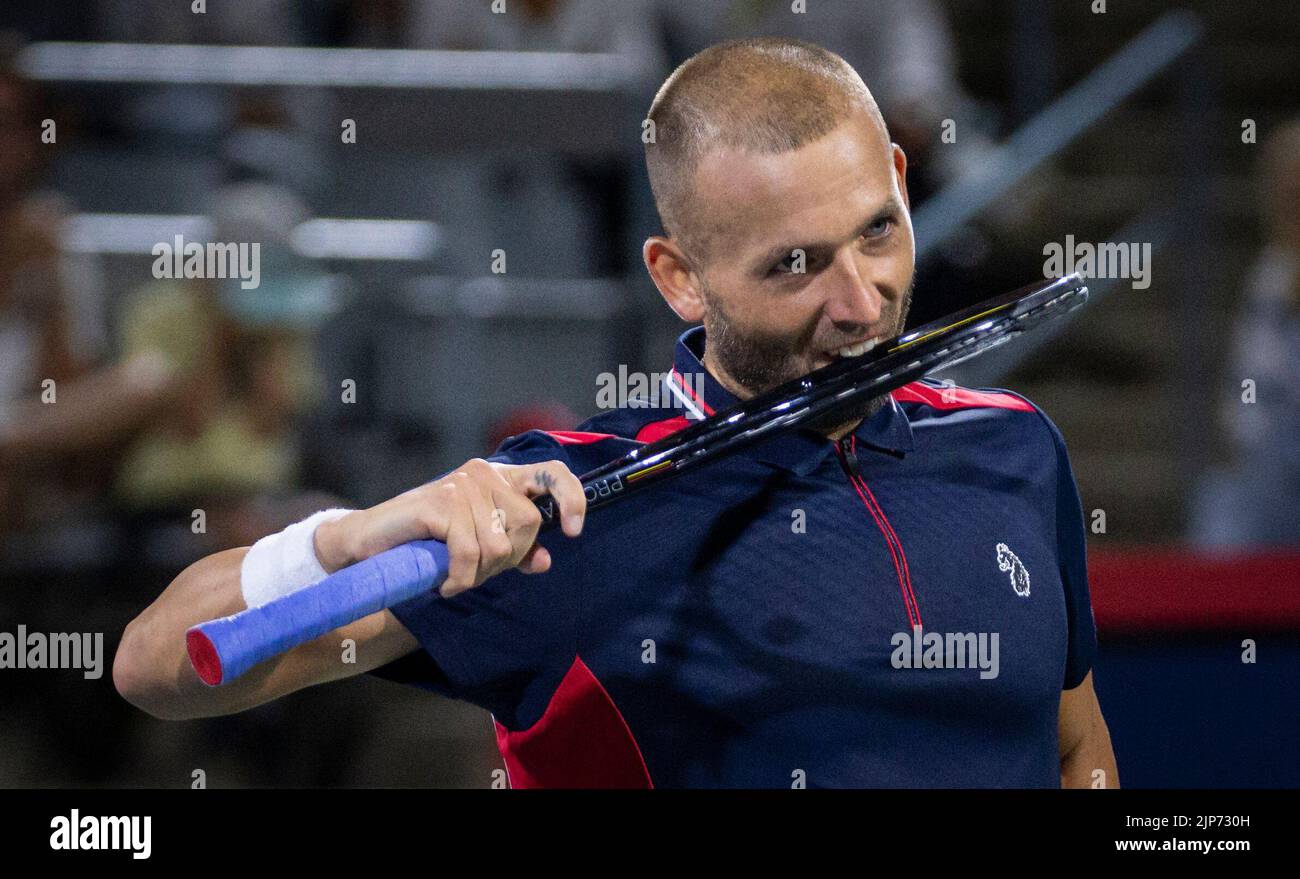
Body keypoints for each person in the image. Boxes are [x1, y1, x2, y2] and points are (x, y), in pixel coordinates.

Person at [115, 38, 1117, 788]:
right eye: (794, 265)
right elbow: (156, 665)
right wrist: (349, 538)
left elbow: (1074, 747)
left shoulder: (1013, 446)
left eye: (876, 235)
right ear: (680, 278)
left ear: (900, 183)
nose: (857, 301)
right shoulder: (567, 514)